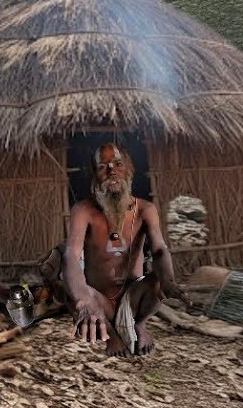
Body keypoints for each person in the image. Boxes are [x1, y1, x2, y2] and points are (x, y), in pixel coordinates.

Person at [59, 143, 189, 356]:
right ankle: (110, 333)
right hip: (98, 302)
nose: (112, 171)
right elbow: (71, 255)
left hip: (134, 299)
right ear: (94, 176)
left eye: (118, 164)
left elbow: (159, 249)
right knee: (73, 288)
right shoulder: (83, 210)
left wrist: (169, 281)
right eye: (103, 167)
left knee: (157, 280)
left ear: (129, 170)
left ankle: (139, 325)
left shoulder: (145, 209)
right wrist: (84, 300)